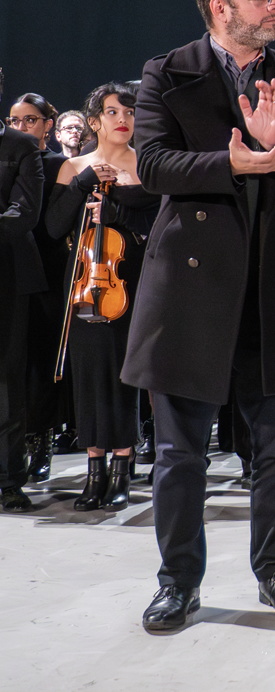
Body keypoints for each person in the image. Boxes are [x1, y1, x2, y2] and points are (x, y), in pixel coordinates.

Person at [121, 0, 275, 633]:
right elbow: (153, 164)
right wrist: (235, 160)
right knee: (179, 452)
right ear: (221, 6)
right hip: (191, 288)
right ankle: (177, 583)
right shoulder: (168, 72)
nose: (274, 4)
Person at [45, 83, 159, 511]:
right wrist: (84, 184)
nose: (122, 120)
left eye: (128, 112)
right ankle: (94, 470)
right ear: (94, 121)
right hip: (84, 286)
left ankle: (122, 469)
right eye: (112, 112)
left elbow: (153, 232)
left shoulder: (147, 167)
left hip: (130, 285)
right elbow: (55, 229)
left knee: (124, 377)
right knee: (89, 376)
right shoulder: (72, 167)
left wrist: (118, 212)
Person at [8, 93, 66, 482]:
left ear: (48, 124)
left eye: (31, 120)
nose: (22, 126)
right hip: (13, 267)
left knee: (43, 361)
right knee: (17, 363)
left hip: (49, 269)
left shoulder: (61, 164)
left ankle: (41, 439)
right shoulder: (11, 156)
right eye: (15, 120)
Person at [0, 68, 45, 513]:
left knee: (8, 383)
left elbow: (24, 213)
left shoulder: (20, 146)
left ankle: (9, 480)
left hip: (7, 277)